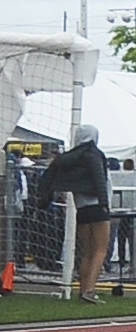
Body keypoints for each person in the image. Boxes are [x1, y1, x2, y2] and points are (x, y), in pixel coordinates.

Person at [37, 123, 111, 303]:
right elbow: (99, 179)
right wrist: (104, 202)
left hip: (81, 207)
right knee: (100, 250)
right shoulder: (92, 154)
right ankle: (90, 290)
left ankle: (82, 288)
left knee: (86, 252)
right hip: (97, 205)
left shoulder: (70, 158)